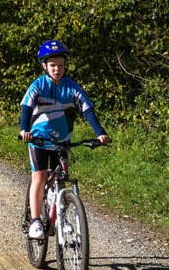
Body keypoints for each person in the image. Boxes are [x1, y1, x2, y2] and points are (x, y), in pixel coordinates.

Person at [19, 40, 111, 240]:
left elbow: (87, 109)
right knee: (40, 177)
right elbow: (26, 107)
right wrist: (24, 129)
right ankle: (35, 221)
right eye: (53, 65)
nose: (57, 69)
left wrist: (100, 132)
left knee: (60, 179)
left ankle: (60, 217)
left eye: (61, 65)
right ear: (45, 66)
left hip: (62, 141)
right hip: (39, 140)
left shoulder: (72, 87)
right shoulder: (38, 85)